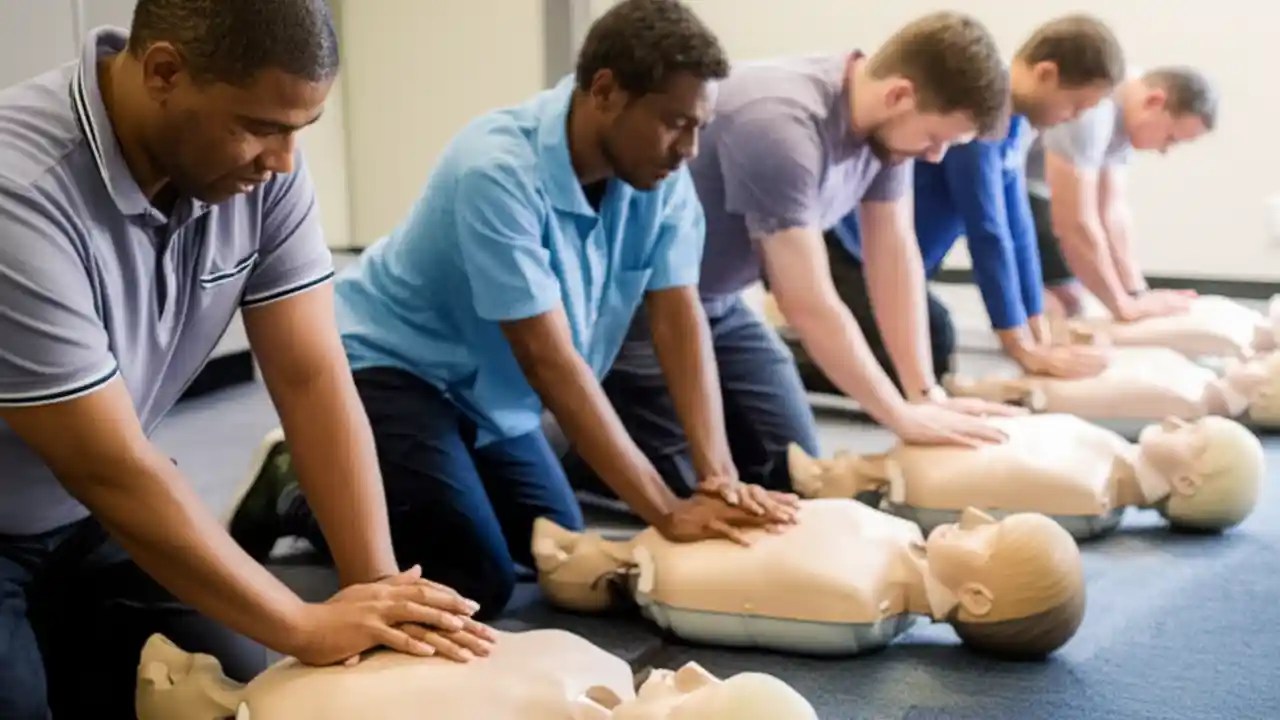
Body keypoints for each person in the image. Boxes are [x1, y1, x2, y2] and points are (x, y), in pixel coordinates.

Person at [228, 0, 798, 622]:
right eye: (674, 123)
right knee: (476, 578)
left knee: (555, 542)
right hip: (390, 371)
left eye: (699, 128)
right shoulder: (496, 169)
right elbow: (548, 360)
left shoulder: (658, 179)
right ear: (605, 92)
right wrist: (664, 508)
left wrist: (715, 477)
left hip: (492, 399)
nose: (689, 149)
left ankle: (413, 479)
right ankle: (298, 489)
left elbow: (680, 323)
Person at [0, 2, 494, 718]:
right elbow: (105, 466)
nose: (285, 161)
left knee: (239, 675)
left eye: (300, 130)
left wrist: (378, 596)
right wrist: (305, 622)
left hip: (78, 510)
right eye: (260, 128)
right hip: (76, 484)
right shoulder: (19, 189)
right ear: (164, 72)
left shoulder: (263, 167)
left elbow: (311, 377)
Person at [582, 11, 1023, 501]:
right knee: (695, 493)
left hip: (720, 307)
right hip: (636, 315)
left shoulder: (885, 133)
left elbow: (895, 257)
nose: (936, 156)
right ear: (899, 95)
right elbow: (805, 300)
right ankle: (573, 428)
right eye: (936, 139)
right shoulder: (781, 125)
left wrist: (923, 394)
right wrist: (896, 415)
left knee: (792, 466)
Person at [824, 15, 1125, 386]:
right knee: (930, 347)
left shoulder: (1015, 124)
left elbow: (1018, 227)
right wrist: (1019, 346)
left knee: (925, 340)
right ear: (1046, 74)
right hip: (849, 249)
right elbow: (987, 229)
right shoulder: (976, 112)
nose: (1071, 119)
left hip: (904, 261)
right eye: (1075, 106)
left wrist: (1037, 331)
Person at [1025, 66, 1218, 320]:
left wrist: (1137, 293)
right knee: (1052, 308)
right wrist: (1122, 306)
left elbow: (1111, 211)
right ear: (1154, 102)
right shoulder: (1094, 112)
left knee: (1072, 301)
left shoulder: (1130, 111)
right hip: (991, 171)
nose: (1165, 151)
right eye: (1170, 138)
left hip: (1026, 185)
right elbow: (1074, 222)